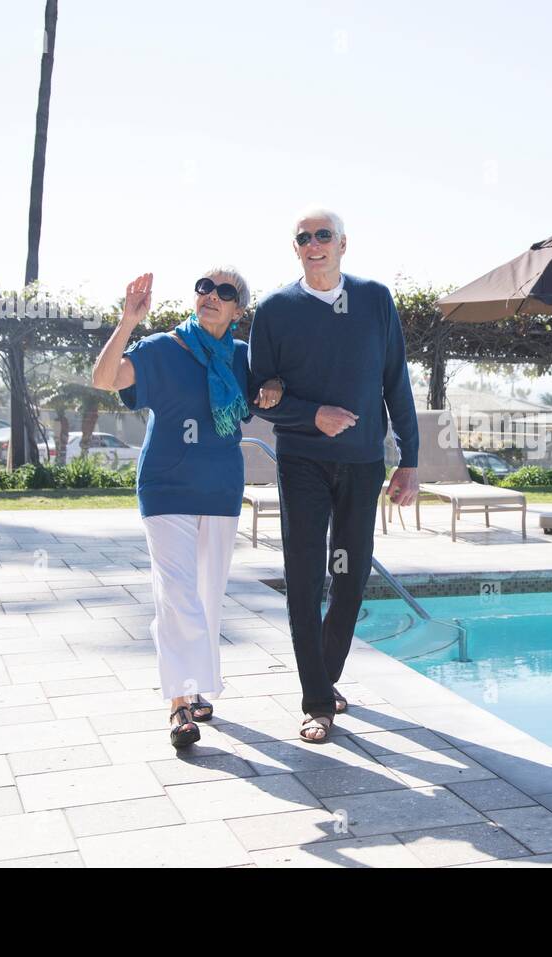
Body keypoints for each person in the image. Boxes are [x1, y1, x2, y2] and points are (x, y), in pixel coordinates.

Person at [248, 209, 419, 743]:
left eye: (324, 235)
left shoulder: (374, 300)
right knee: (303, 577)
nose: (314, 244)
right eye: (304, 238)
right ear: (295, 248)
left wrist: (409, 458)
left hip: (364, 462)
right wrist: (311, 415)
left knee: (349, 580)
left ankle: (326, 674)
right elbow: (260, 395)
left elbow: (396, 380)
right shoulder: (276, 309)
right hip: (301, 460)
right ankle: (317, 701)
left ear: (343, 243)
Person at [92, 269, 280, 748]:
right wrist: (127, 322)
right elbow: (105, 378)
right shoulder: (163, 348)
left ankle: (195, 688)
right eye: (204, 288)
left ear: (239, 310)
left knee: (207, 595)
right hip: (166, 490)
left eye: (225, 293)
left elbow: (275, 388)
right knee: (177, 594)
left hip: (219, 490)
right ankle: (179, 705)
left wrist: (274, 384)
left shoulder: (243, 359)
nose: (211, 297)